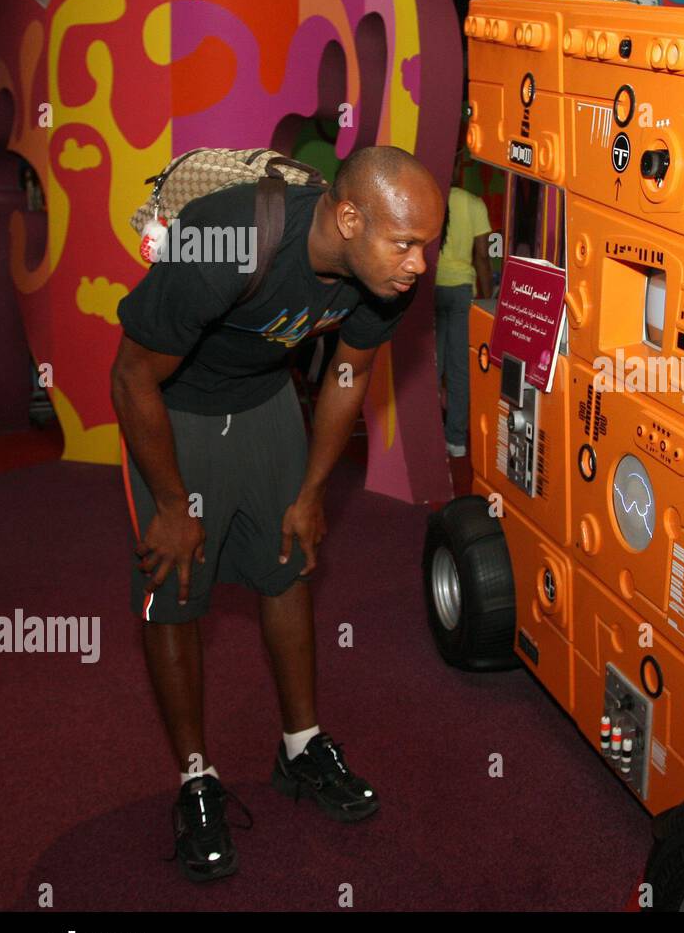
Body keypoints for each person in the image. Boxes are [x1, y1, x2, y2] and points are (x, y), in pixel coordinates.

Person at [111, 145, 443, 883]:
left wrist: (311, 492)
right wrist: (171, 504)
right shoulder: (226, 237)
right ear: (349, 218)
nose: (420, 264)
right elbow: (131, 374)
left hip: (264, 401)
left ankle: (301, 746)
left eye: (428, 243)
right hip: (175, 409)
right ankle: (196, 778)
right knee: (175, 591)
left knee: (289, 565)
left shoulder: (385, 279)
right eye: (406, 244)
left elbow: (349, 374)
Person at [435, 182, 494, 458]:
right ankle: (455, 441)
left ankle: (426, 434)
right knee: (459, 367)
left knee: (432, 364)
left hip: (431, 287)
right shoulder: (474, 202)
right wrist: (486, 297)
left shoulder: (432, 196)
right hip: (461, 291)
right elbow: (482, 256)